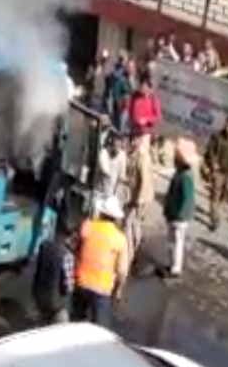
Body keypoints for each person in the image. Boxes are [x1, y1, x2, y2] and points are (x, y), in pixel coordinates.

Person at [73, 197, 130, 327]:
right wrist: (118, 289)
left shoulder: (87, 226)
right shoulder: (120, 239)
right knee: (100, 328)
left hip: (81, 282)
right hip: (101, 288)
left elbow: (75, 248)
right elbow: (122, 271)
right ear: (116, 218)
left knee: (76, 321)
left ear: (101, 213)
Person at [162, 138, 198, 278]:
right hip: (175, 215)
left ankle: (175, 268)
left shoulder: (185, 176)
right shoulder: (181, 173)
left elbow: (187, 199)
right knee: (173, 242)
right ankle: (172, 265)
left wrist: (178, 214)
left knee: (176, 242)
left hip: (178, 217)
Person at [119, 134, 155, 269]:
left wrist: (139, 200)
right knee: (134, 225)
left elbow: (144, 180)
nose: (132, 142)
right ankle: (135, 249)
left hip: (140, 198)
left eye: (135, 139)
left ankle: (129, 256)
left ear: (139, 141)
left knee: (128, 224)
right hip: (134, 196)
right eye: (131, 139)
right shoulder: (133, 153)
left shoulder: (142, 157)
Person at [204, 117, 228, 230]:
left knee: (224, 194)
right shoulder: (217, 136)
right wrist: (213, 164)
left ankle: (217, 211)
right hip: (218, 171)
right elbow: (210, 150)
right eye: (227, 125)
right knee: (215, 193)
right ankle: (214, 219)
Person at [31, 225, 75, 325]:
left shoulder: (44, 246)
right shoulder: (67, 255)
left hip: (40, 296)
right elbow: (68, 286)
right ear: (69, 237)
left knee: (42, 327)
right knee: (60, 329)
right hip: (57, 303)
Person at [95, 133, 126, 200]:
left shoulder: (122, 155)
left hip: (113, 191)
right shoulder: (103, 153)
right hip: (100, 189)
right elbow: (105, 171)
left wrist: (115, 192)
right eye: (115, 145)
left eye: (119, 146)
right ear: (111, 145)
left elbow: (121, 175)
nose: (117, 148)